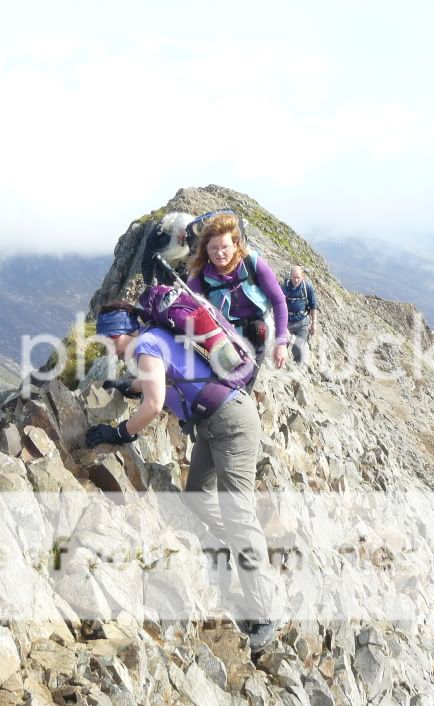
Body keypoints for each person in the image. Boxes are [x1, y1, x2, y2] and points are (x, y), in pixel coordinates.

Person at [84, 302, 285, 650]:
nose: (110, 343)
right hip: (215, 421)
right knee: (197, 497)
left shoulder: (145, 345)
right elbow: (169, 374)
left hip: (231, 424)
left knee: (238, 515)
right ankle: (233, 545)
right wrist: (130, 385)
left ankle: (267, 612)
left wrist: (119, 433)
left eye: (112, 335)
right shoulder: (152, 336)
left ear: (125, 330)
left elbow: (154, 403)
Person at [185, 213, 289, 370]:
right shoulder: (199, 276)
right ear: (206, 249)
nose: (219, 253)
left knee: (243, 380)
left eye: (225, 247)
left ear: (235, 245)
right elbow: (189, 310)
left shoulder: (253, 264)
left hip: (257, 334)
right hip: (223, 337)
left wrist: (281, 343)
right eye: (213, 247)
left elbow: (279, 300)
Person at [282, 265, 318, 364]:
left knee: (298, 348)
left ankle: (298, 368)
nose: (296, 280)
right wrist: (282, 326)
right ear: (290, 276)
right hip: (286, 323)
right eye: (294, 277)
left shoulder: (307, 288)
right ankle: (281, 369)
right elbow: (278, 307)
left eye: (298, 277)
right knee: (281, 348)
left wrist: (314, 323)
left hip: (302, 323)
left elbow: (313, 305)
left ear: (302, 277)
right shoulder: (284, 288)